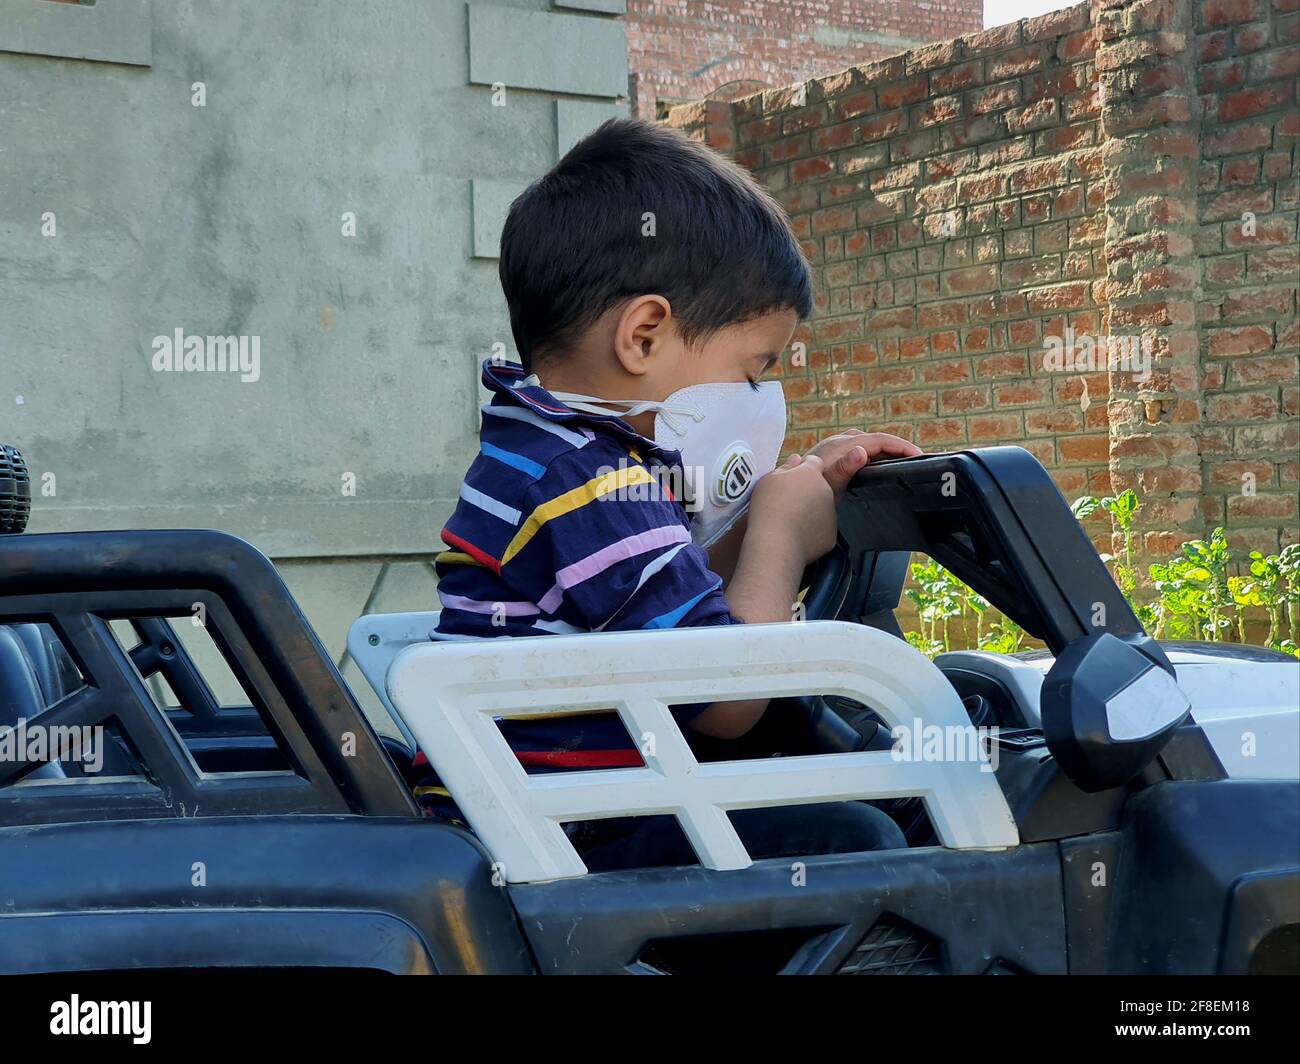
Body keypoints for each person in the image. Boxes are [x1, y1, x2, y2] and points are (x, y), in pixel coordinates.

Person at [430, 117, 920, 865]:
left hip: (556, 810)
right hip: (569, 836)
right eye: (755, 368)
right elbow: (724, 702)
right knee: (857, 839)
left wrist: (774, 503)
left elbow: (670, 612)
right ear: (645, 335)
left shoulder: (557, 455)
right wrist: (781, 541)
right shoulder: (589, 484)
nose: (759, 395)